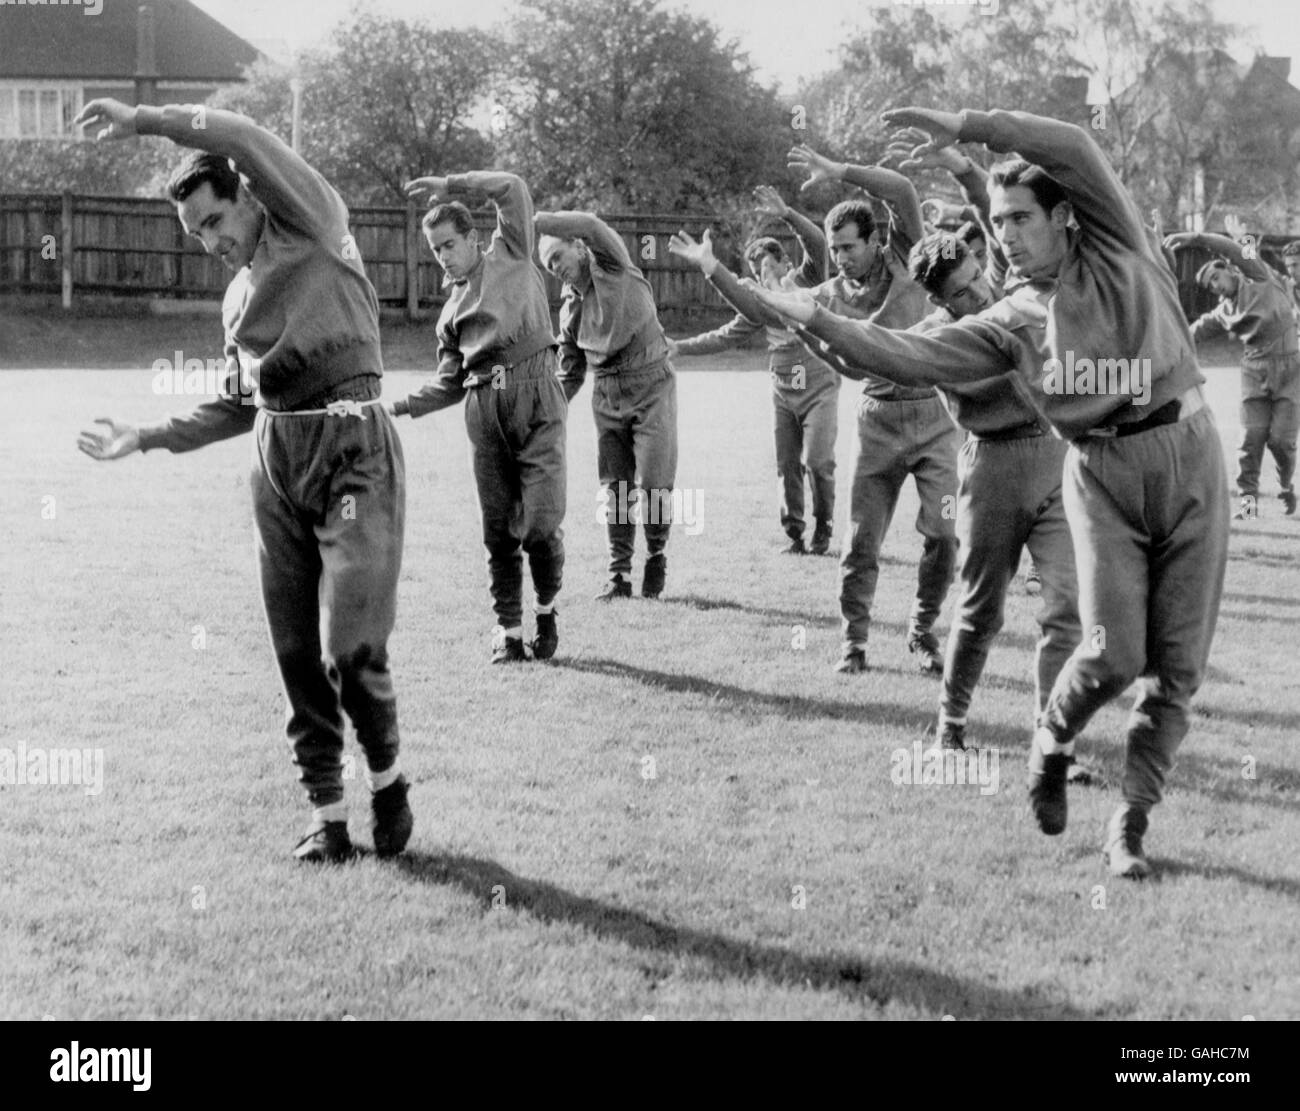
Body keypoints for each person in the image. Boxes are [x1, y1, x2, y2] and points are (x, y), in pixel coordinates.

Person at [748, 107, 1230, 881]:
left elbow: (1073, 145)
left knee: (1177, 671)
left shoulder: (1119, 242)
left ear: (1065, 216)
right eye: (995, 221)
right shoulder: (1008, 318)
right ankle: (1050, 735)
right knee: (1113, 653)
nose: (1002, 234)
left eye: (1016, 218)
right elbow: (907, 354)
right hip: (1100, 474)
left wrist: (974, 126)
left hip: (1192, 456)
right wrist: (818, 318)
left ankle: (1129, 827)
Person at [73, 98, 411, 864]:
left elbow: (239, 134)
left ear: (247, 196)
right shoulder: (234, 298)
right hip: (275, 463)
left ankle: (388, 779)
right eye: (196, 235)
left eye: (216, 222)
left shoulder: (313, 221)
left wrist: (142, 119)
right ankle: (328, 819)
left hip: (353, 446)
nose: (212, 243)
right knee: (296, 655)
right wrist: (147, 436)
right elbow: (239, 400)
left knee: (349, 647)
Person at [672, 145, 957, 677]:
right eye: (835, 248)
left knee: (942, 533)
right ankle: (854, 642)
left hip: (935, 418)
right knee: (861, 542)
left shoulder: (906, 261)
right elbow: (760, 308)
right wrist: (712, 267)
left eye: (850, 246)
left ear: (876, 241)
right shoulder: (825, 293)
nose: (842, 256)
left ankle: (922, 631)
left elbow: (901, 191)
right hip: (878, 422)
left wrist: (839, 172)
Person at [904, 232, 1081, 765]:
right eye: (963, 290)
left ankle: (1051, 742)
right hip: (992, 469)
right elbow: (873, 353)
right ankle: (950, 728)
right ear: (940, 300)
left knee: (1067, 606)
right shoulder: (936, 336)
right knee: (981, 610)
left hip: (1055, 460)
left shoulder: (1014, 300)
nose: (981, 292)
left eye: (980, 275)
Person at [394, 172, 567, 662]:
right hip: (482, 411)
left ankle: (546, 610)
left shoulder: (511, 250)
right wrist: (400, 406)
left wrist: (452, 182)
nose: (444, 256)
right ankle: (508, 634)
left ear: (473, 238)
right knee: (497, 531)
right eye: (435, 250)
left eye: (449, 244)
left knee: (539, 524)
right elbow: (448, 382)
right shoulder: (449, 315)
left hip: (536, 396)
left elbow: (512, 188)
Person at [670, 186, 838, 555]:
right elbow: (724, 336)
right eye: (757, 274)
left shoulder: (807, 281)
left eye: (766, 269)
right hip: (782, 388)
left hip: (819, 384)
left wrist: (788, 214)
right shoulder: (759, 304)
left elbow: (817, 243)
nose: (763, 279)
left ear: (783, 263)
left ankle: (823, 527)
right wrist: (679, 347)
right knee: (787, 464)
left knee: (818, 461)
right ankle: (795, 534)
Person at [534, 208, 678, 599]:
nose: (555, 269)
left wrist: (535, 220)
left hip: (651, 385)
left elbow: (593, 225)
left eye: (558, 257)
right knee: (614, 490)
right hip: (607, 393)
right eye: (548, 266)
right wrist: (546, 413)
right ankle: (618, 575)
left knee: (655, 482)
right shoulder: (569, 310)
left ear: (578, 248)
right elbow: (570, 373)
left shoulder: (614, 265)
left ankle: (657, 553)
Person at [1167, 230, 1299, 517]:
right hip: (1254, 372)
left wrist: (1196, 237)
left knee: (1281, 441)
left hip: (1291, 370)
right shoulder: (1224, 313)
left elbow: (1235, 250)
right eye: (1209, 286)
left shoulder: (1259, 276)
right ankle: (1248, 505)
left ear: (1228, 270)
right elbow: (1191, 334)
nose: (1215, 287)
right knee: (1249, 440)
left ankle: (1286, 485)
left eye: (1216, 278)